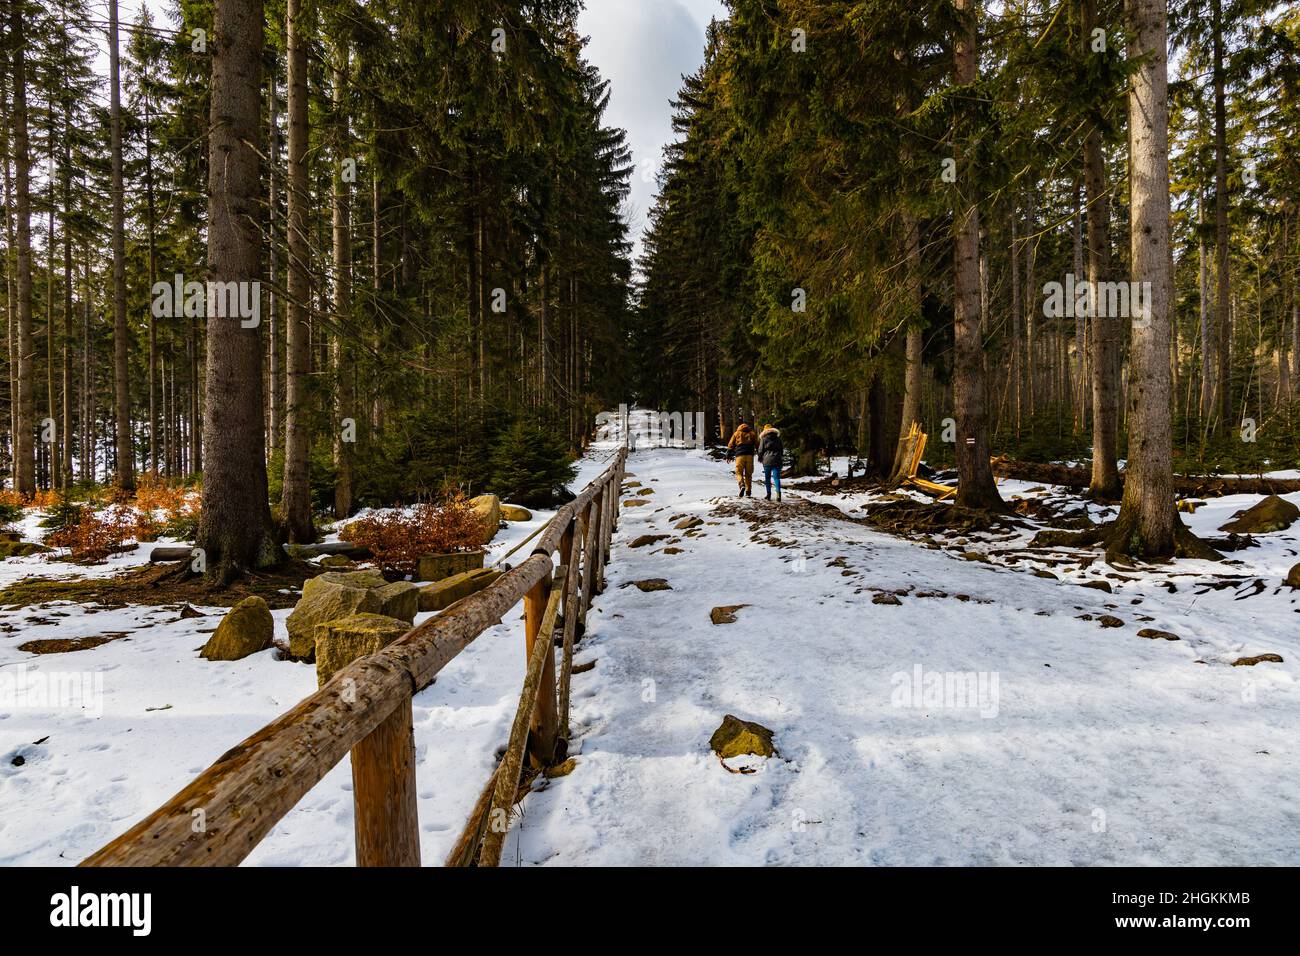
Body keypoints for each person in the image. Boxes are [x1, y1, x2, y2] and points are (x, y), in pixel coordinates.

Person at [725, 419, 758, 496]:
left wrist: (728, 455)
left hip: (740, 456)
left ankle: (741, 484)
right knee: (748, 474)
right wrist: (760, 454)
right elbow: (757, 444)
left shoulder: (736, 433)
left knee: (738, 472)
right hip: (750, 456)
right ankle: (748, 491)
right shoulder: (752, 434)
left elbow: (730, 444)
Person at [756, 423, 784, 501]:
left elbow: (760, 450)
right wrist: (780, 457)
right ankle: (778, 494)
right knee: (776, 478)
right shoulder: (778, 439)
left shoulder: (763, 439)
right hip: (777, 460)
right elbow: (781, 450)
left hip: (767, 460)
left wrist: (760, 457)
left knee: (767, 478)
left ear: (765, 431)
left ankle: (768, 495)